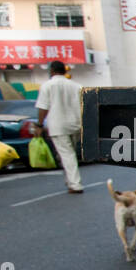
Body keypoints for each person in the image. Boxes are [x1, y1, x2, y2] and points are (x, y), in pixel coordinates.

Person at [35, 60, 84, 193]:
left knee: (67, 154)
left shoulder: (47, 86)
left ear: (51, 71)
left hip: (58, 125)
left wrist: (39, 124)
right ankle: (70, 181)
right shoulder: (76, 86)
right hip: (75, 123)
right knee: (69, 153)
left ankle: (75, 184)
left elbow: (43, 108)